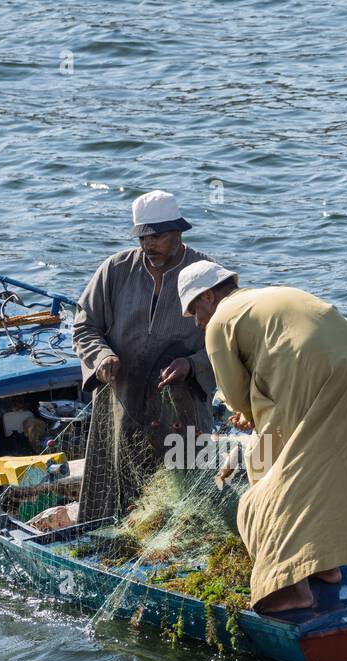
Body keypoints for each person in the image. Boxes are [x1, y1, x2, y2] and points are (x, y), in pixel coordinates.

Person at [177, 261, 347, 613]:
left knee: (266, 467)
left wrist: (246, 412)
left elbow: (233, 391)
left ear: (209, 295)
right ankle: (325, 564)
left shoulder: (221, 320)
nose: (196, 321)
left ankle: (288, 583)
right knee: (327, 458)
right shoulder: (261, 297)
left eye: (194, 309)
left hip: (309, 366)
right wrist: (252, 410)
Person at [72, 190, 217, 523]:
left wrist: (192, 364)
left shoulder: (206, 274)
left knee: (189, 493)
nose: (149, 245)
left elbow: (228, 339)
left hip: (183, 405)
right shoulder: (116, 270)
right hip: (122, 398)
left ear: (179, 233)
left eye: (159, 237)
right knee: (113, 491)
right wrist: (102, 356)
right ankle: (108, 541)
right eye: (143, 237)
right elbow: (84, 327)